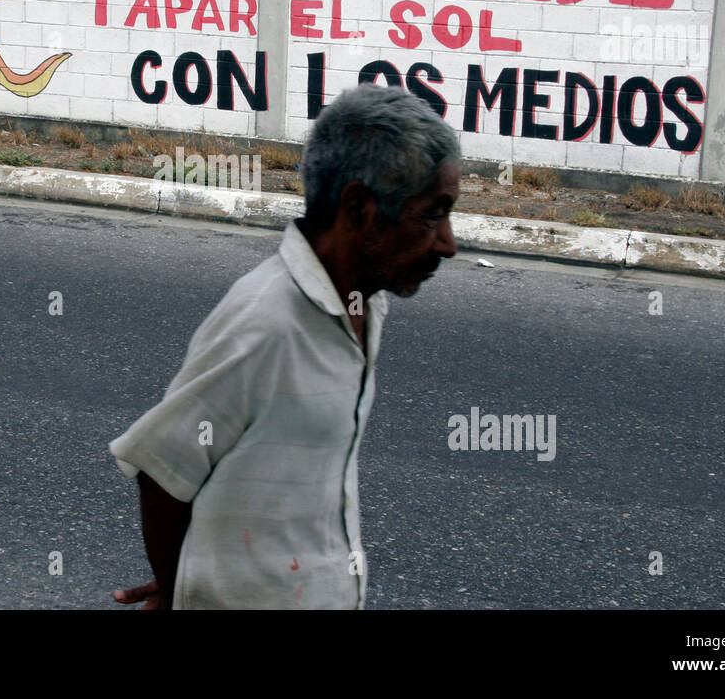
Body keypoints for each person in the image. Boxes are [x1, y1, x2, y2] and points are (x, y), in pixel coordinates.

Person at [110, 83, 461, 609]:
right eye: (432, 215)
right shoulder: (268, 323)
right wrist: (179, 588)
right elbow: (164, 469)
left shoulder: (364, 302)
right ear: (360, 208)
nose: (449, 244)